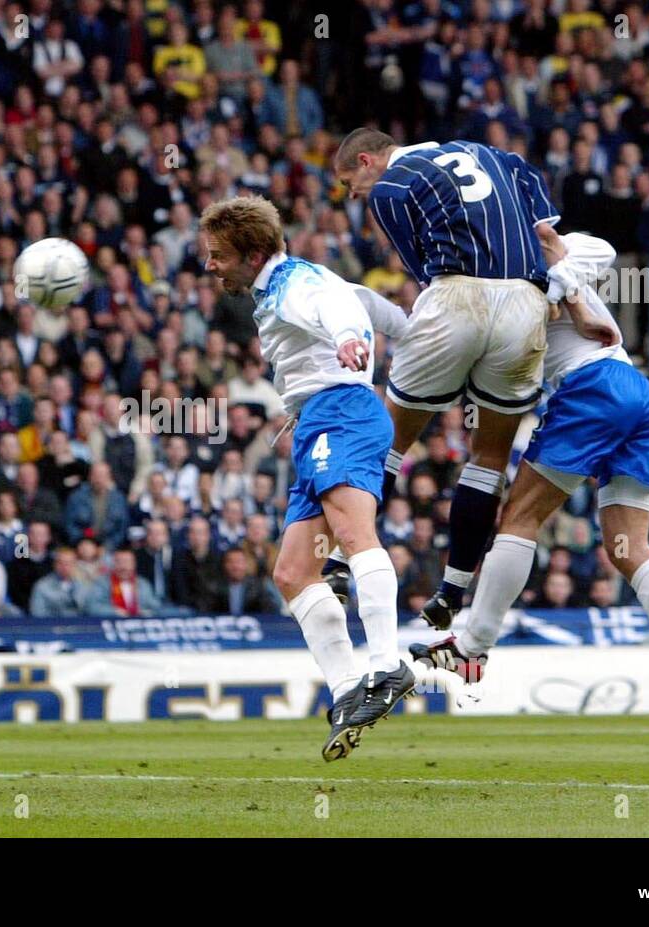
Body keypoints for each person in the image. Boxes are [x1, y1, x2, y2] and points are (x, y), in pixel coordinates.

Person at [406, 232, 649, 737]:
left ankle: (472, 648)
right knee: (628, 547)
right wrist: (570, 293)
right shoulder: (535, 250)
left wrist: (566, 293)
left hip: (588, 390)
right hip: (634, 392)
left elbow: (589, 248)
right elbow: (591, 247)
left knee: (519, 519)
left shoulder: (484, 287)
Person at [200, 194, 413, 762]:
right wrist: (410, 331)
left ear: (251, 253)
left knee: (354, 535)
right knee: (293, 571)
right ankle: (348, 691)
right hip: (319, 420)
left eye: (218, 255)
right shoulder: (294, 281)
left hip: (341, 412)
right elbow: (359, 298)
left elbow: (337, 310)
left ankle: (388, 666)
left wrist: (351, 339)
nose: (210, 266)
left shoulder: (294, 283)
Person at [333, 129, 558, 632]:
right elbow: (546, 233)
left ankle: (342, 561)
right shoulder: (494, 154)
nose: (353, 195)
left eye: (351, 182)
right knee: (492, 457)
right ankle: (453, 590)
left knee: (388, 443)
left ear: (368, 160)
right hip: (526, 300)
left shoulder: (392, 187)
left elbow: (424, 272)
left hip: (456, 295)